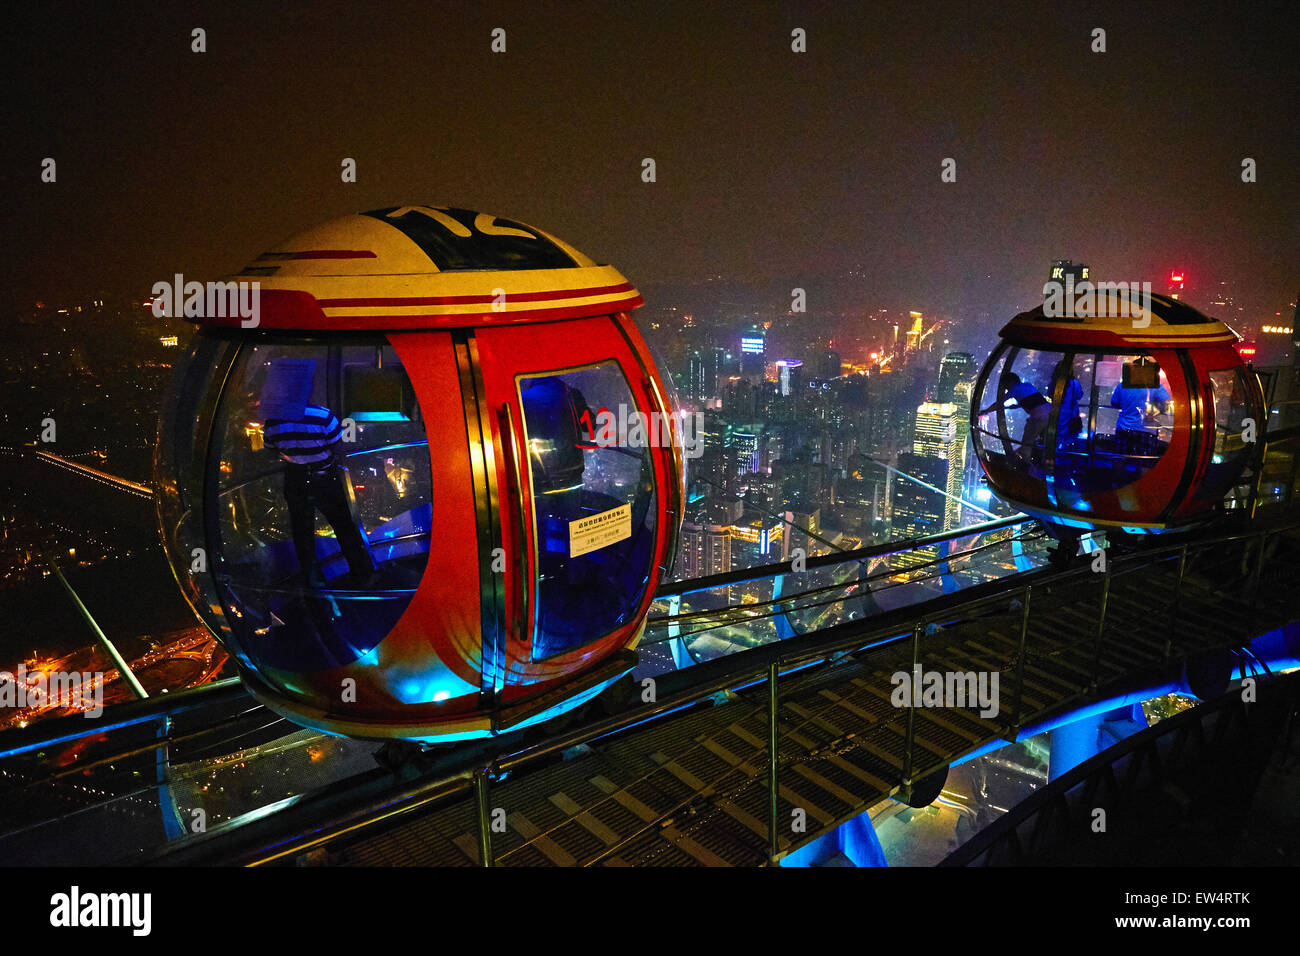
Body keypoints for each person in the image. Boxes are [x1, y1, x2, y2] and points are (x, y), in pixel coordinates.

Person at [263, 403, 380, 587]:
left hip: (295, 480)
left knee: (302, 534)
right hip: (324, 480)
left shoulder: (272, 421)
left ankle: (312, 582)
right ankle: (362, 575)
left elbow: (271, 448)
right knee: (344, 527)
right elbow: (339, 447)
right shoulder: (322, 415)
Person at [979, 372, 1050, 465]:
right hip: (1049, 412)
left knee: (1027, 441)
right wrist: (1014, 406)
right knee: (1042, 439)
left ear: (1010, 382)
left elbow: (999, 403)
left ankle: (1025, 465)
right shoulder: (1027, 385)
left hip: (1038, 416)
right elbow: (1031, 399)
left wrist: (986, 411)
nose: (1006, 388)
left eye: (1006, 385)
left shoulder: (1015, 389)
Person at [1109, 378, 1172, 456]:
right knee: (1144, 462)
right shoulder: (1154, 385)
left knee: (1120, 458)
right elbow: (1166, 405)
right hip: (1146, 430)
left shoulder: (1123, 385)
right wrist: (1155, 411)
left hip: (1124, 428)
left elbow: (1114, 403)